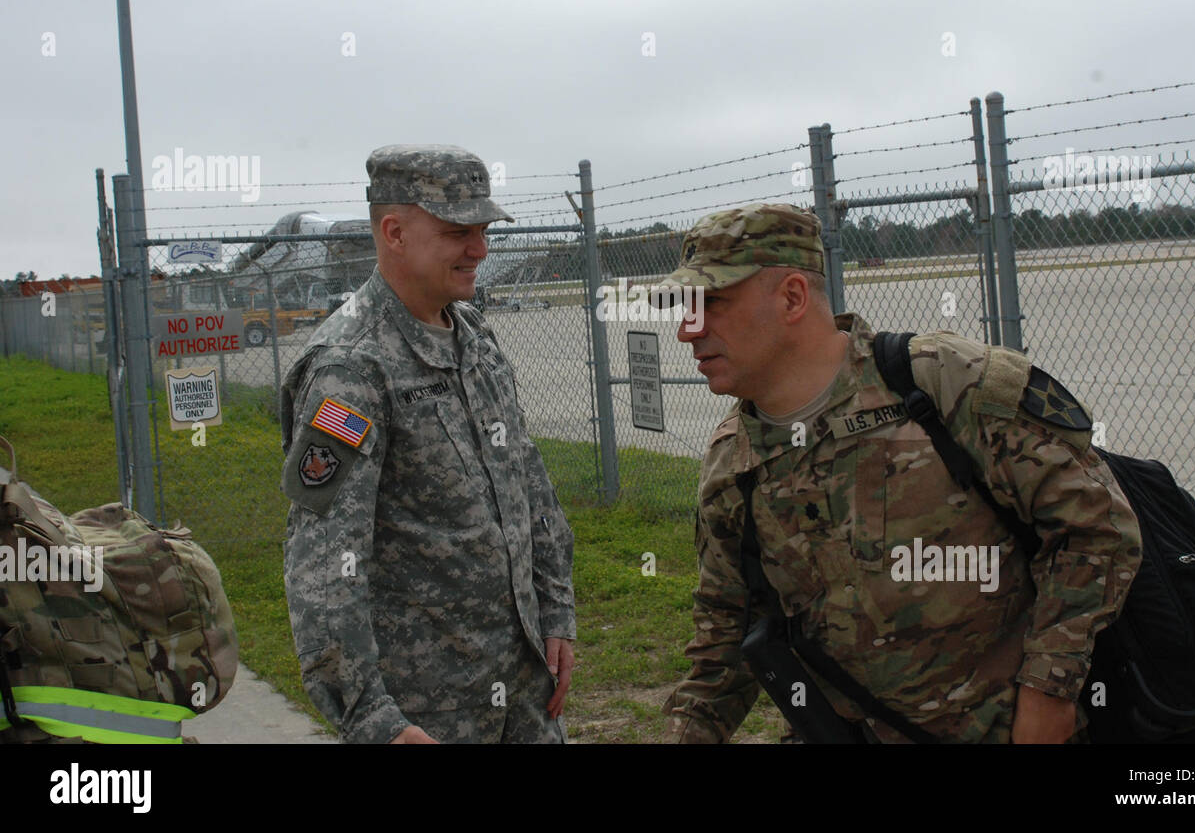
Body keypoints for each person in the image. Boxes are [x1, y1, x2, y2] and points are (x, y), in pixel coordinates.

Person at [656, 202, 1142, 743]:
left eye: (712, 303)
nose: (686, 331)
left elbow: (1097, 529)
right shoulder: (734, 464)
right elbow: (728, 631)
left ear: (792, 296)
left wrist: (1049, 693)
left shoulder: (945, 385)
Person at [279, 144, 576, 744]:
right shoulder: (351, 369)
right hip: (428, 713)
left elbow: (528, 483)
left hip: (521, 688)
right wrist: (373, 719)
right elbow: (325, 562)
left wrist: (557, 609)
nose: (481, 249)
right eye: (457, 232)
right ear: (394, 232)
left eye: (484, 230)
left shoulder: (474, 338)